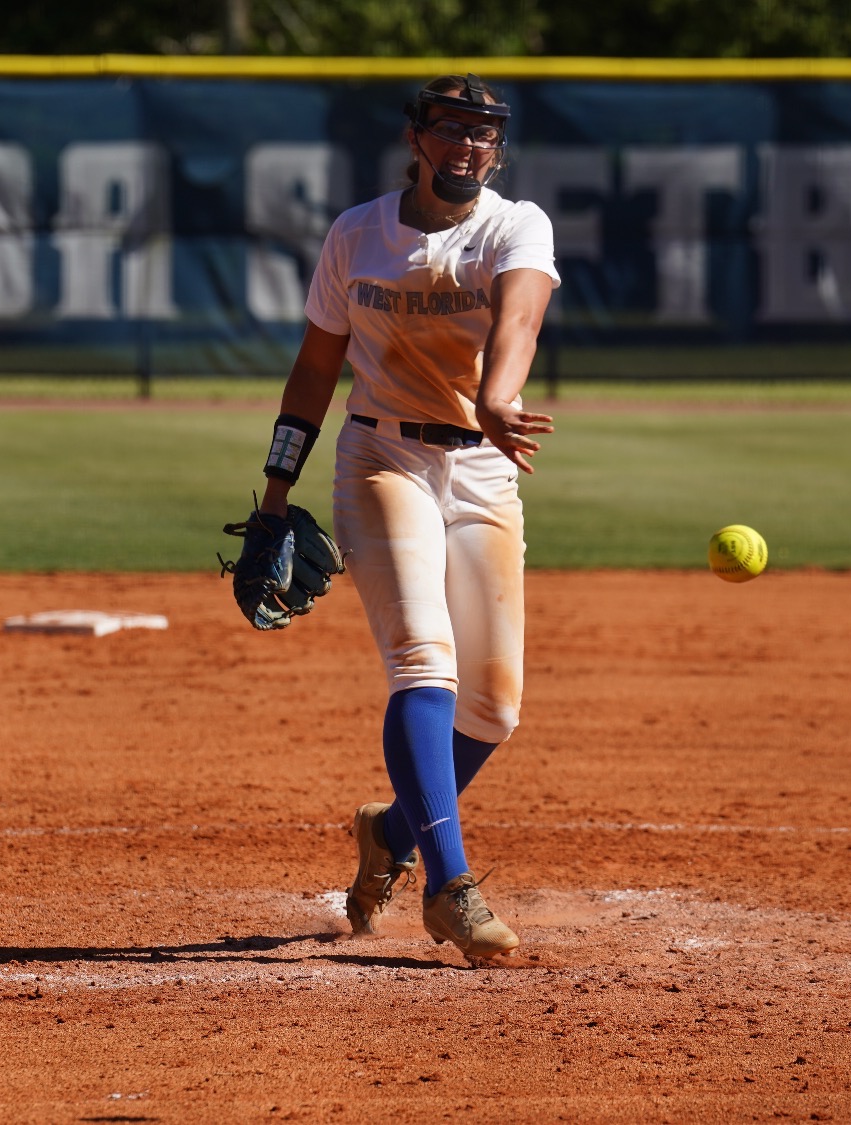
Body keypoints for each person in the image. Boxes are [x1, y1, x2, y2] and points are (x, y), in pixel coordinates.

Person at [244, 74, 558, 963]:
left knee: (494, 708)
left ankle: (392, 831)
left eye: (484, 135)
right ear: (416, 137)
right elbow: (314, 371)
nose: (468, 147)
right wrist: (275, 489)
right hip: (381, 458)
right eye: (452, 129)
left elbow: (522, 316)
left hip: (483, 465)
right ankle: (449, 888)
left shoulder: (514, 223)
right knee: (425, 658)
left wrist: (497, 396)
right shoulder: (358, 234)